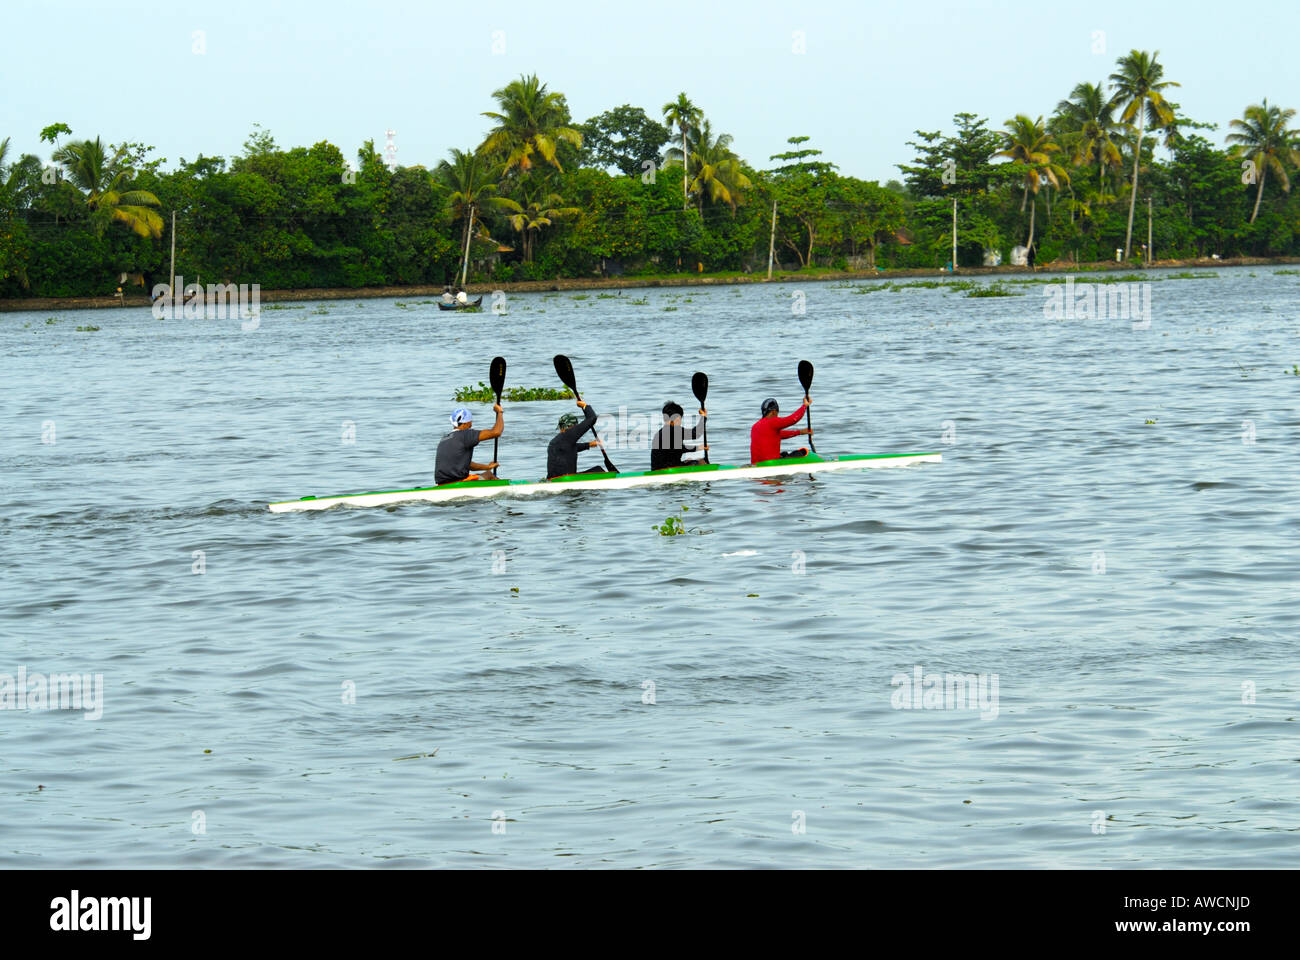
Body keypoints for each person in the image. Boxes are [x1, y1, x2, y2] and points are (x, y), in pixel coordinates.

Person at [435, 404, 503, 484]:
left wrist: (488, 467)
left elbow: (466, 464)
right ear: (465, 423)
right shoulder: (465, 434)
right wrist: (500, 412)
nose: (471, 426)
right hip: (458, 482)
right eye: (470, 423)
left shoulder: (444, 439)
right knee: (489, 475)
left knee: (482, 474)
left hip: (441, 484)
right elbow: (496, 432)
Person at [547, 400, 606, 478]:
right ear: (572, 426)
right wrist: (584, 406)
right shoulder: (569, 434)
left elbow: (571, 448)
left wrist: (589, 444)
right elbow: (592, 418)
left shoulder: (555, 441)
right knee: (599, 470)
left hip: (552, 479)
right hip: (567, 479)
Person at [750, 396, 812, 463]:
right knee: (803, 453)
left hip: (756, 464)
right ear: (773, 412)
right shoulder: (772, 421)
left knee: (784, 454)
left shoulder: (755, 426)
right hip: (771, 463)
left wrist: (800, 432)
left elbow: (779, 434)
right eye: (777, 413)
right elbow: (793, 419)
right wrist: (804, 406)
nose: (777, 415)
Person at [651, 401, 708, 470]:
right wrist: (703, 417)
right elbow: (696, 433)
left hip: (656, 470)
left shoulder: (659, 433)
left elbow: (678, 449)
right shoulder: (674, 430)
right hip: (668, 470)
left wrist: (698, 448)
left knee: (689, 461)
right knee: (701, 462)